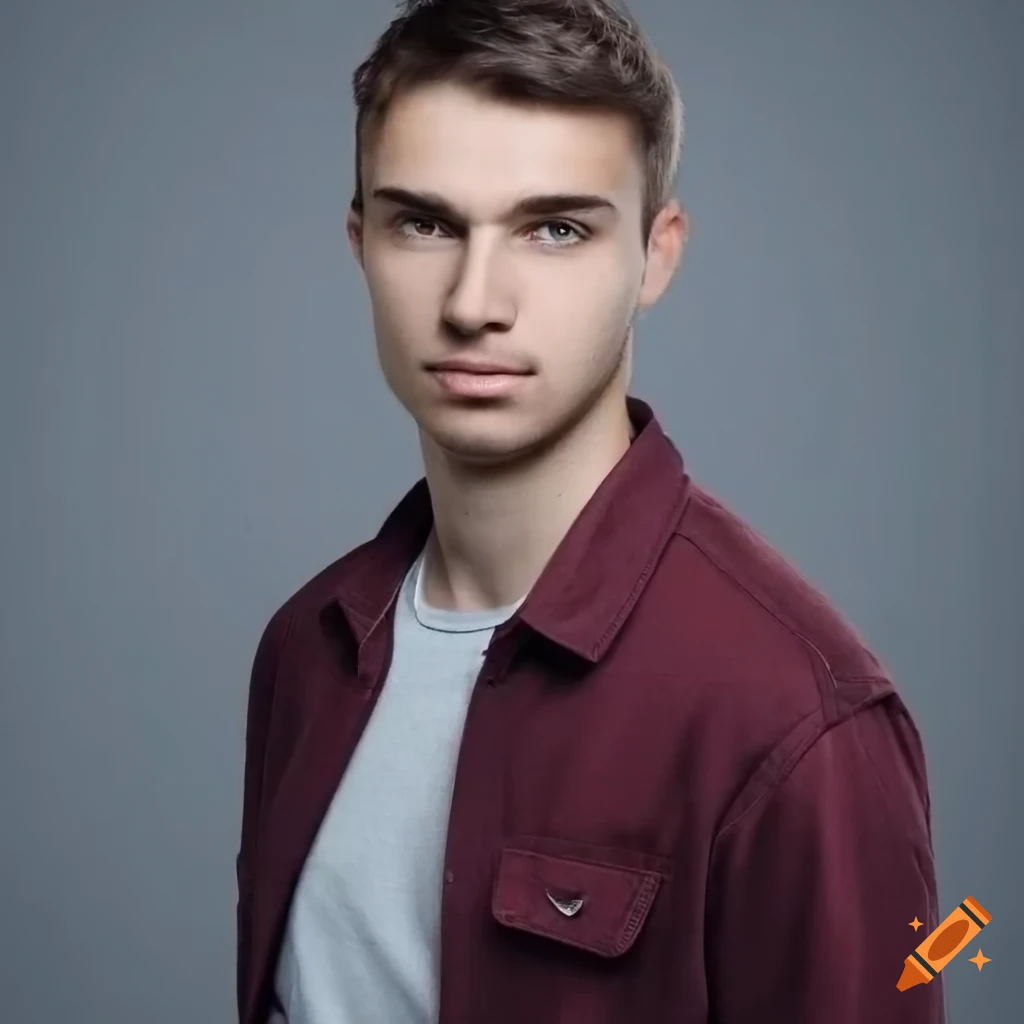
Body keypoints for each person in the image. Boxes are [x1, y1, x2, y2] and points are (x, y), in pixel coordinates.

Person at [235, 1, 944, 1022]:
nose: (475, 300)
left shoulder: (792, 715)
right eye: (424, 223)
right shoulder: (306, 653)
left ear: (656, 255)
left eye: (555, 228)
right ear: (360, 244)